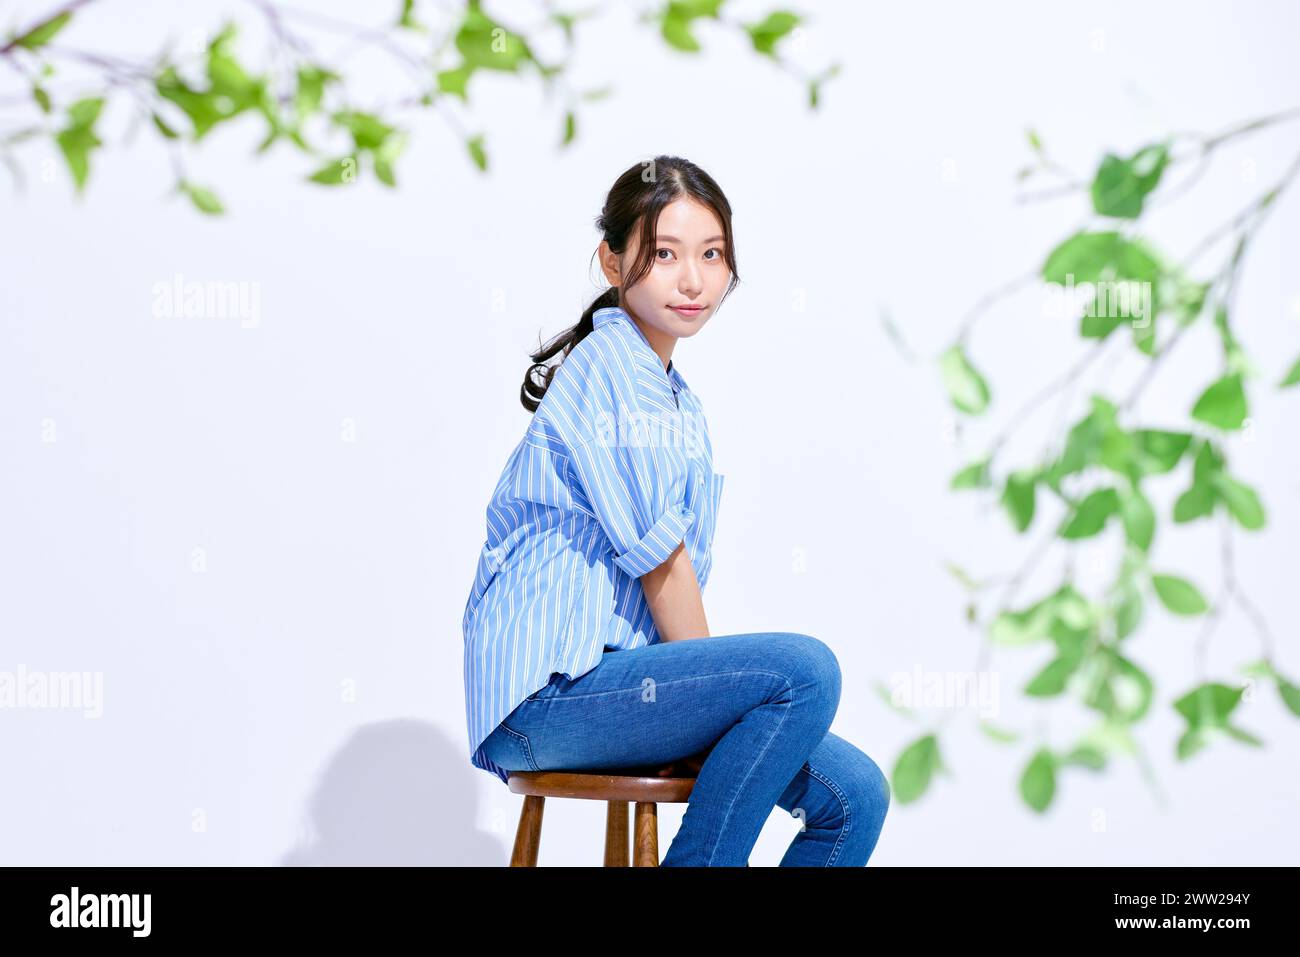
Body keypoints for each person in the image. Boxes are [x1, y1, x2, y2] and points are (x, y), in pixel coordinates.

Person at [462, 154, 890, 866]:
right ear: (612, 260)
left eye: (712, 254)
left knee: (855, 795)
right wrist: (715, 697)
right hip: (547, 698)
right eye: (664, 254)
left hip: (623, 691)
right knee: (806, 670)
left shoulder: (677, 398)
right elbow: (664, 565)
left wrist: (711, 699)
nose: (693, 279)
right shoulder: (610, 369)